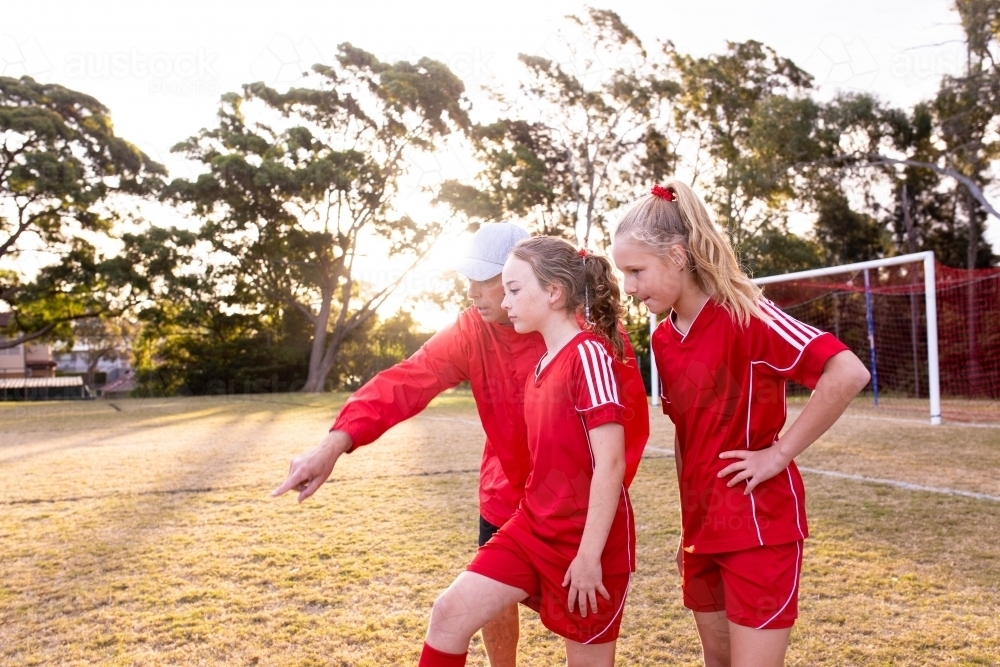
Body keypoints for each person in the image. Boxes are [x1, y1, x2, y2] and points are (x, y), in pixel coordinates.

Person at [272, 223, 649, 667]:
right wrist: (331, 446)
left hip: (578, 518)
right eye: (471, 279)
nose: (473, 291)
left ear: (544, 287)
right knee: (469, 609)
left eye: (490, 281)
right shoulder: (472, 329)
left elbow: (621, 445)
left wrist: (585, 533)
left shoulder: (592, 340)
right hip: (508, 499)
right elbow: (405, 382)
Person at [611, 182, 871, 667]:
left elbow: (848, 371)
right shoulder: (665, 341)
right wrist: (689, 531)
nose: (628, 286)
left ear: (678, 256)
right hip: (704, 531)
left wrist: (779, 453)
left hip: (759, 528)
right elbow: (690, 440)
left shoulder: (748, 313)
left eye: (636, 271)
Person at [419, 237, 648, 667]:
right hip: (532, 530)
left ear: (553, 293)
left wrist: (587, 556)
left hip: (588, 546)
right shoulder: (543, 363)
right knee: (449, 614)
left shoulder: (590, 355)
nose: (504, 302)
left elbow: (611, 462)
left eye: (514, 289)